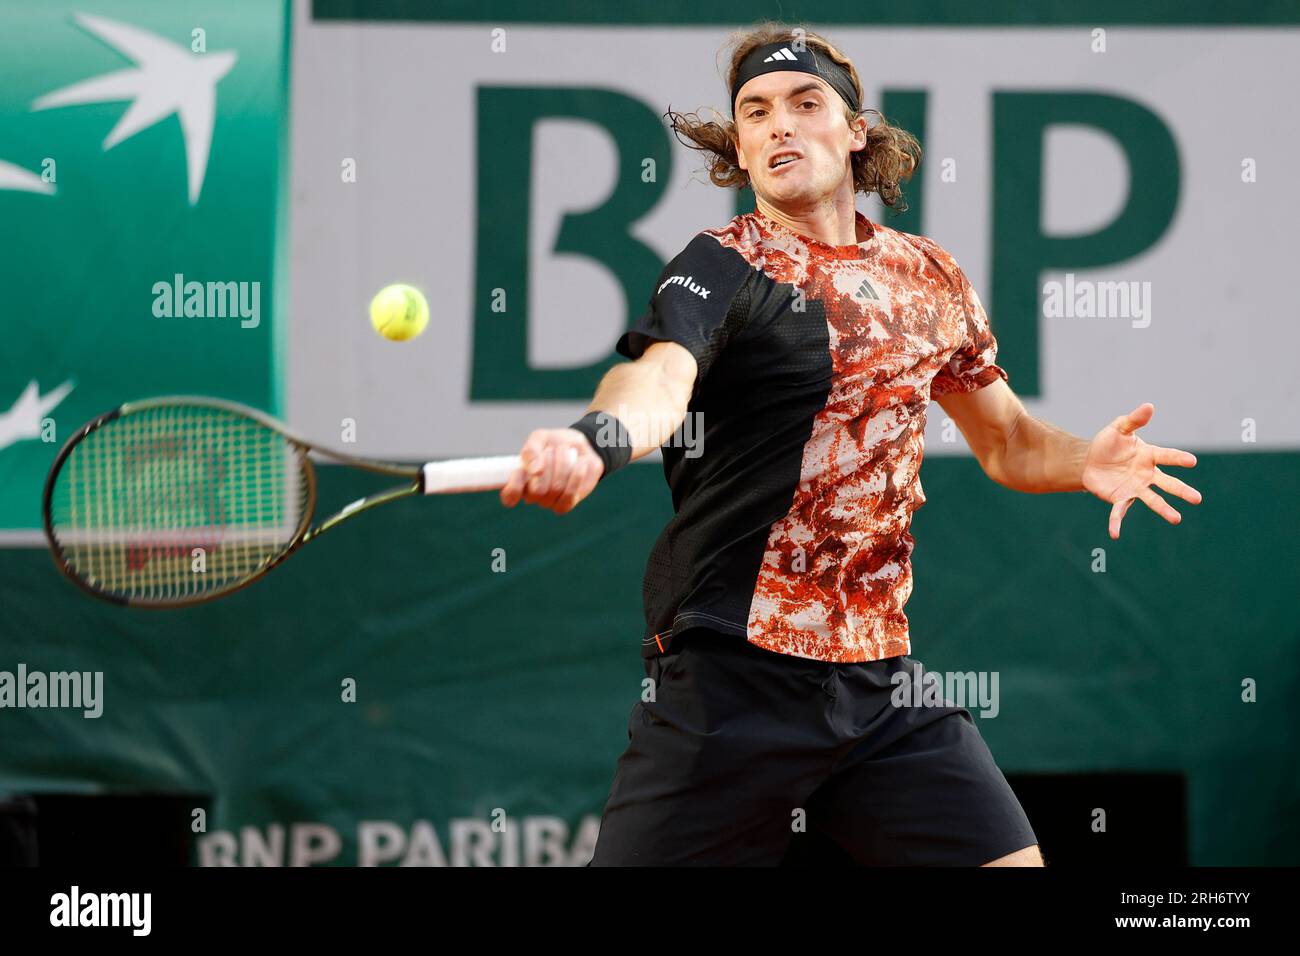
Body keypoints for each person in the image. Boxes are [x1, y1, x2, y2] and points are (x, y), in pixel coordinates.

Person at [500, 22, 1202, 866]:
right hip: (731, 680)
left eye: (805, 104)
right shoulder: (722, 265)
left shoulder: (929, 276)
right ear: (741, 146)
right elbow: (658, 381)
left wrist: (1084, 458)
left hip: (880, 683)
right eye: (754, 113)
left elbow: (1009, 441)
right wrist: (598, 439)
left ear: (857, 130)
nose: (778, 126)